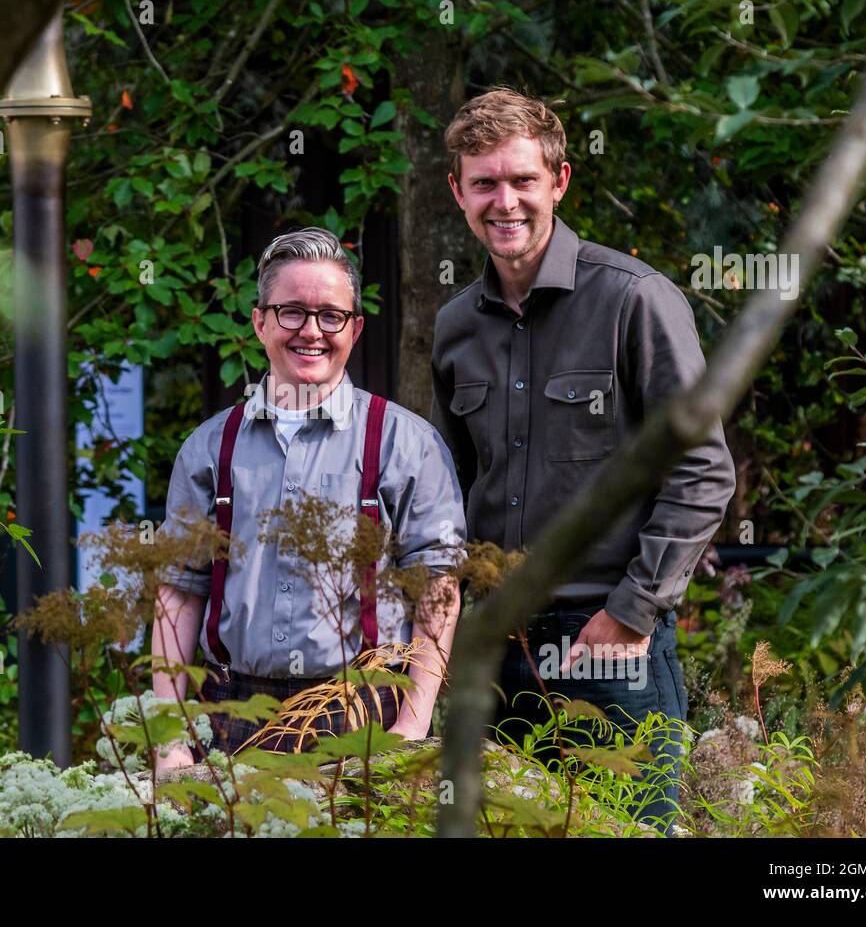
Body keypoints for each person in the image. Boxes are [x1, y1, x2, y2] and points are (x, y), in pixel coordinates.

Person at [430, 88, 736, 831]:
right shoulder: (453, 327)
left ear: (560, 181)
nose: (505, 201)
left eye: (523, 180)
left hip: (609, 645)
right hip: (496, 649)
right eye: (485, 183)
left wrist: (630, 613)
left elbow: (702, 471)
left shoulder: (635, 300)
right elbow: (459, 485)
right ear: (458, 192)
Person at [153, 227, 466, 770]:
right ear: (260, 322)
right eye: (291, 311)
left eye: (331, 315)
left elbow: (438, 588)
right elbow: (178, 595)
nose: (312, 331)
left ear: (356, 327)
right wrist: (169, 738)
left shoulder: (405, 444)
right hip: (231, 714)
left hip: (364, 711)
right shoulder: (208, 448)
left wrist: (412, 726)